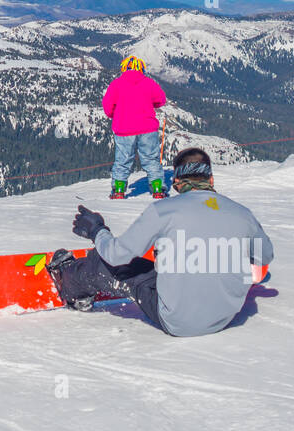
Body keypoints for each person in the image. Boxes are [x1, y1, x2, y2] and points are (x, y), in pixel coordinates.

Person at [48, 147, 274, 336]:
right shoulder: (242, 214)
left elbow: (117, 255)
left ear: (177, 182)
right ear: (211, 179)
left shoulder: (164, 211)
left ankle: (67, 281)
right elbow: (265, 257)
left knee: (104, 263)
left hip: (178, 321)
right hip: (225, 317)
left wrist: (98, 230)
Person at [102, 55, 168, 199]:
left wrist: (117, 115)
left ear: (124, 68)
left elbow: (108, 108)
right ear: (141, 69)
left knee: (123, 161)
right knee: (151, 159)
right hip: (147, 128)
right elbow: (161, 100)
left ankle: (118, 191)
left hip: (124, 129)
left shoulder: (116, 84)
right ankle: (158, 189)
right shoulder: (149, 83)